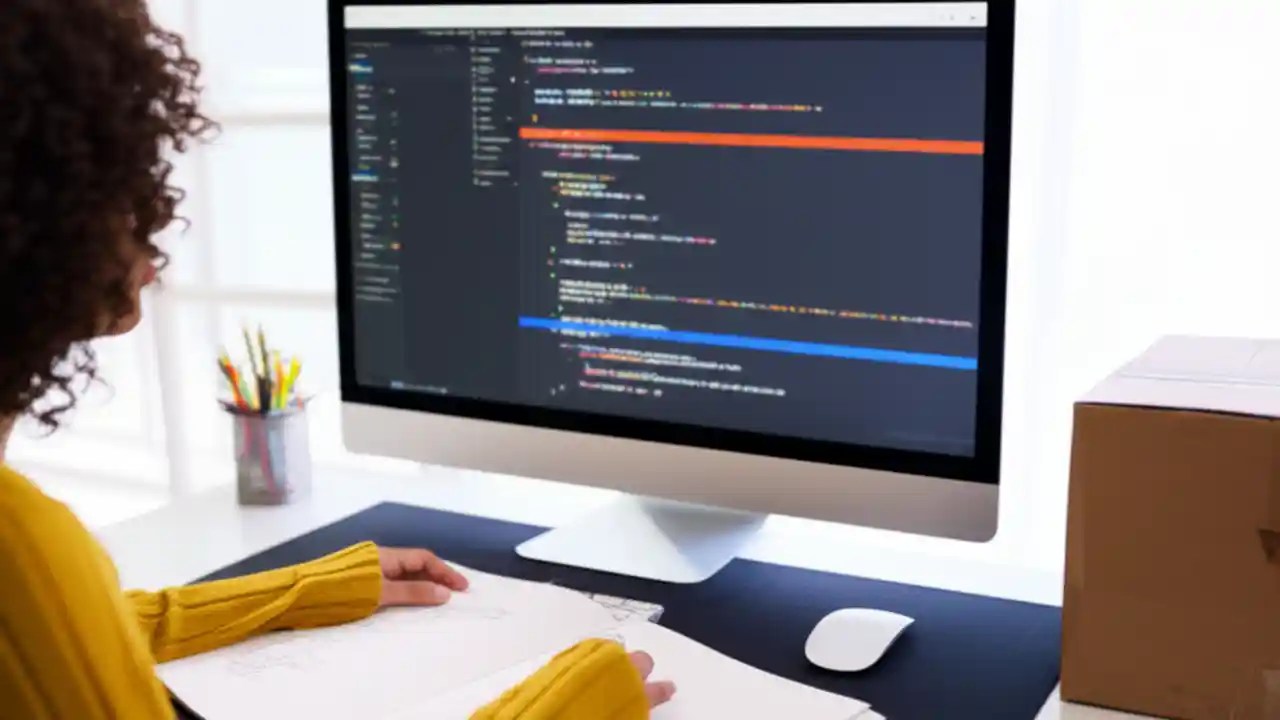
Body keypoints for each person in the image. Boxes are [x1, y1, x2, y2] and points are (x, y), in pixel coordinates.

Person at [0, 1, 675, 718]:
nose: (157, 220)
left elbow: (59, 637)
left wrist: (293, 592)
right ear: (45, 202)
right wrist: (575, 703)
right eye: (127, 172)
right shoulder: (19, 546)